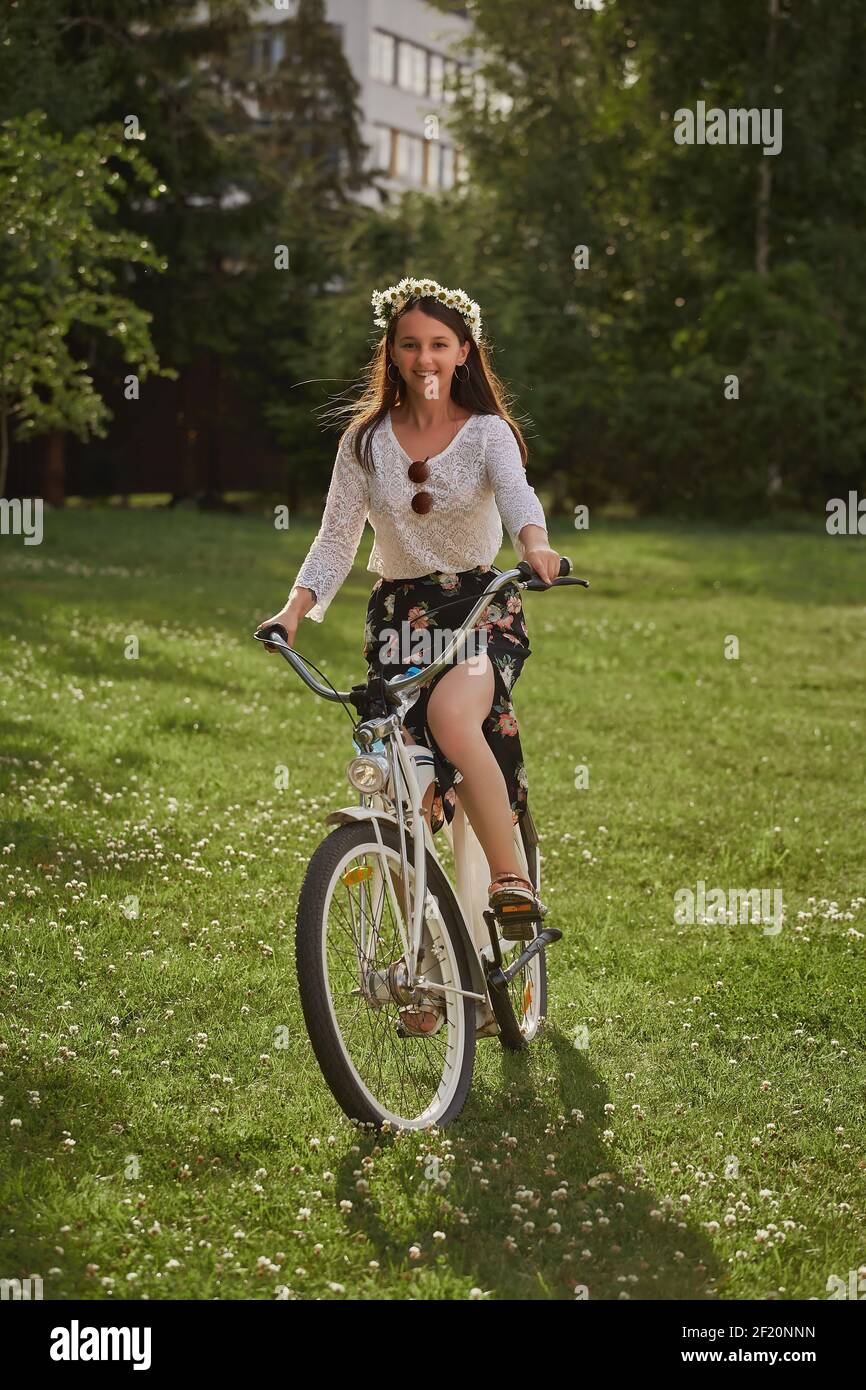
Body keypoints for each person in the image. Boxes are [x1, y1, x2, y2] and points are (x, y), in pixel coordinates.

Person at [256, 275, 561, 940]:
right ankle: (422, 962)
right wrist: (293, 610)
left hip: (480, 609)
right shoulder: (365, 442)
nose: (425, 358)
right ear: (391, 352)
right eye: (410, 345)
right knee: (396, 792)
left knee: (455, 717)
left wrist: (535, 547)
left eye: (439, 345)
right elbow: (335, 539)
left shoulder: (487, 434)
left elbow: (518, 497)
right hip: (399, 620)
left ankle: (510, 882)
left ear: (464, 353)